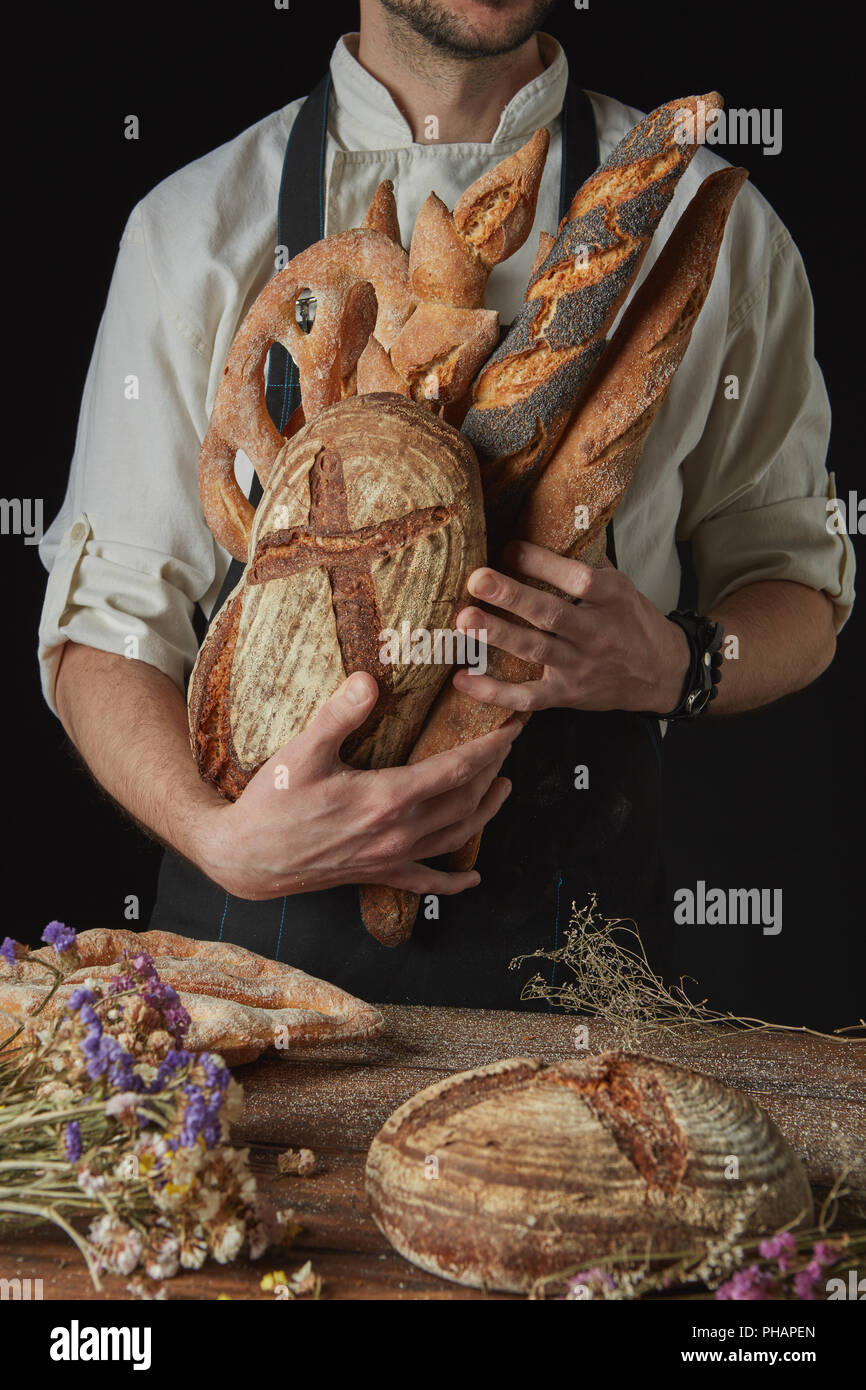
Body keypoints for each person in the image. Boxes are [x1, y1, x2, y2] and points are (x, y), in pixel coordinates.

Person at [37, 0, 853, 1007]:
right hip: (247, 979)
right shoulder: (193, 229)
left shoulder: (715, 227)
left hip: (573, 985)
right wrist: (222, 839)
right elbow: (102, 634)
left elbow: (797, 591)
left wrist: (673, 661)